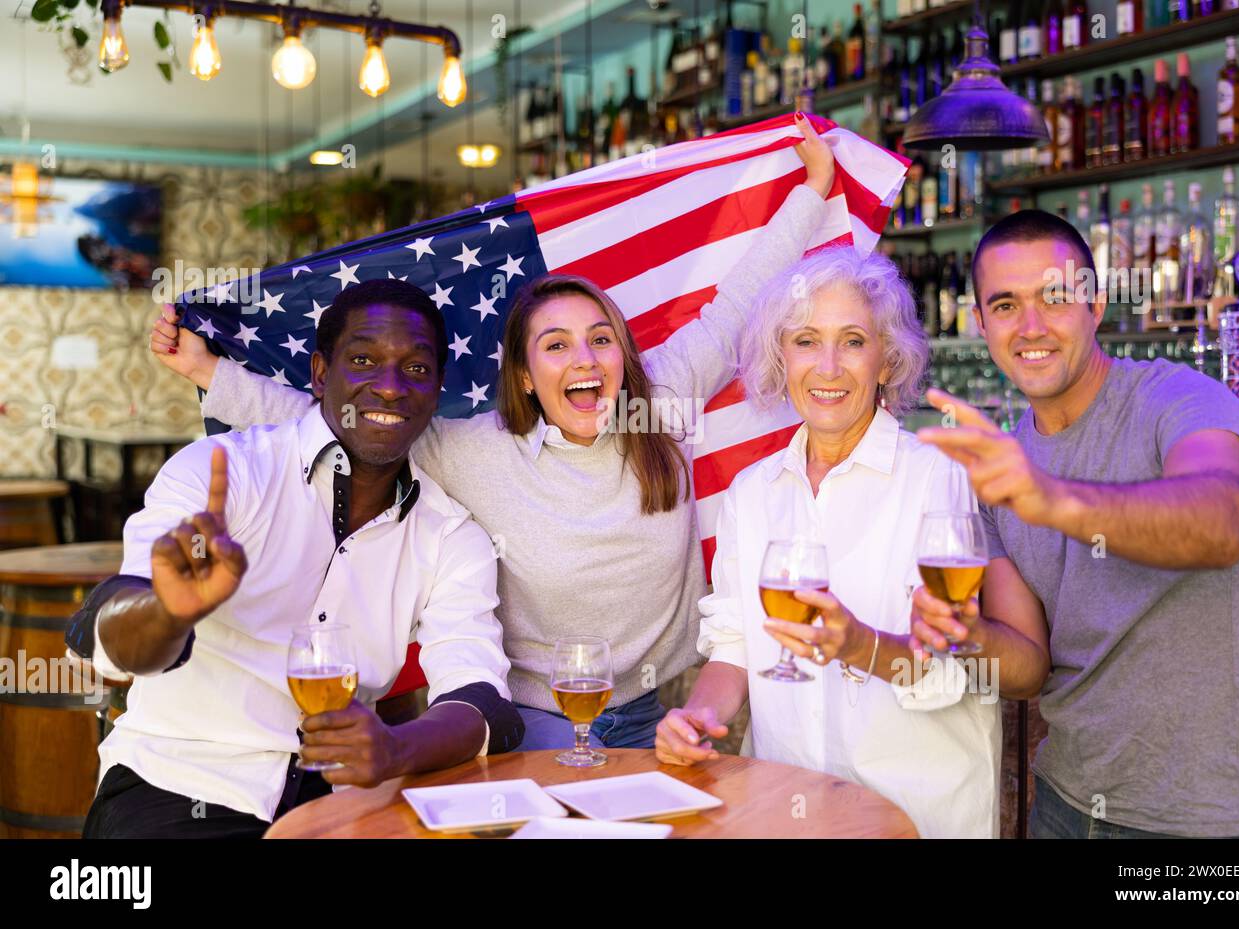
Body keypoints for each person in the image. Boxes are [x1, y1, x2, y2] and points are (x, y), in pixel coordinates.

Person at [147, 115, 837, 751]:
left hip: (650, 714)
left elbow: (738, 301)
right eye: (557, 345)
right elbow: (344, 420)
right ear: (528, 377)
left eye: (601, 338)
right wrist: (209, 369)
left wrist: (813, 190)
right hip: (528, 722)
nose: (585, 358)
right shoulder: (479, 447)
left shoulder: (659, 397)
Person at [69, 279, 521, 838]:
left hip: (336, 801)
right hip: (175, 787)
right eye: (363, 359)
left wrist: (395, 748)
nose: (389, 387)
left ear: (436, 390)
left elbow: (485, 704)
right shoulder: (223, 472)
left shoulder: (452, 533)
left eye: (416, 369)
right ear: (320, 374)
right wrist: (168, 612)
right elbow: (107, 635)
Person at [914, 209, 1239, 838]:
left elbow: (1221, 524)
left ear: (1094, 305)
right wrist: (962, 634)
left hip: (1208, 825)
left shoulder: (1180, 398)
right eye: (1006, 305)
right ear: (980, 322)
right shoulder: (1000, 473)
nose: (1031, 326)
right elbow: (1028, 667)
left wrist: (1050, 498)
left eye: (1056, 297)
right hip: (1066, 804)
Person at [653, 246, 1050, 838]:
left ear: (887, 361)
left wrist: (861, 646)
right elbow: (735, 643)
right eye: (807, 340)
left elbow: (987, 668)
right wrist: (697, 717)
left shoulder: (943, 477)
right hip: (785, 811)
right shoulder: (750, 492)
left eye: (854, 341)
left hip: (922, 819)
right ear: (779, 357)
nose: (829, 367)